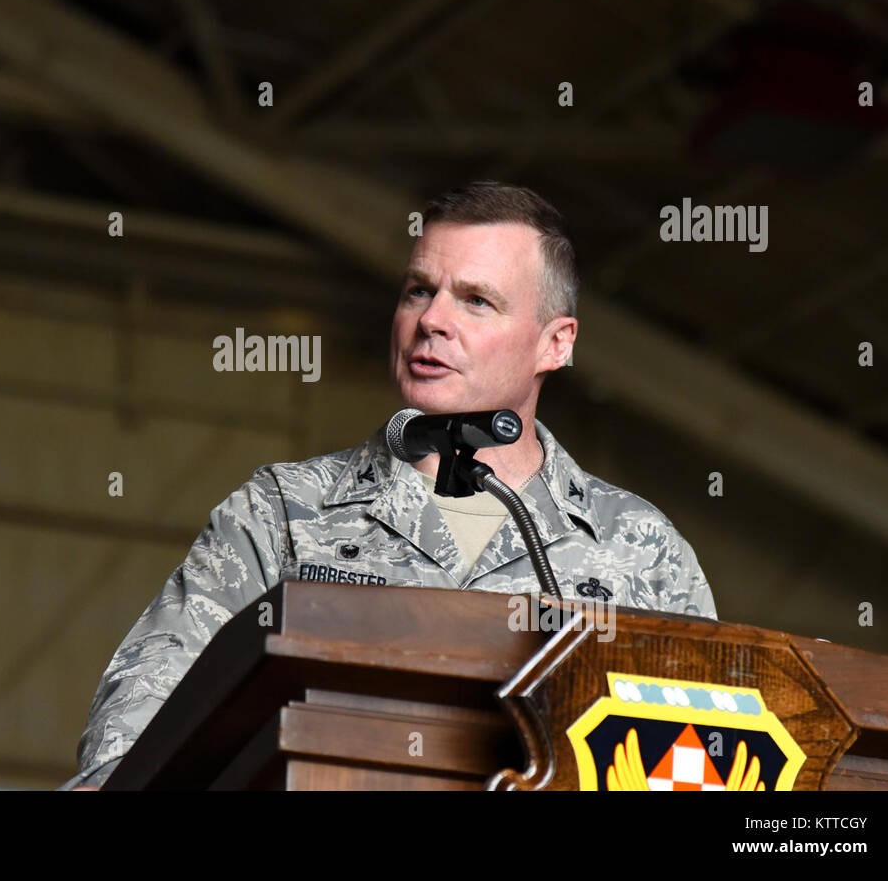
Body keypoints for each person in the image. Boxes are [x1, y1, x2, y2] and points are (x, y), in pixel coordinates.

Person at [60, 180, 716, 790]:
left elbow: (716, 754)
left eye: (476, 300)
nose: (432, 320)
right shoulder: (285, 512)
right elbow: (144, 722)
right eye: (417, 291)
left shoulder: (642, 549)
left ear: (555, 344)